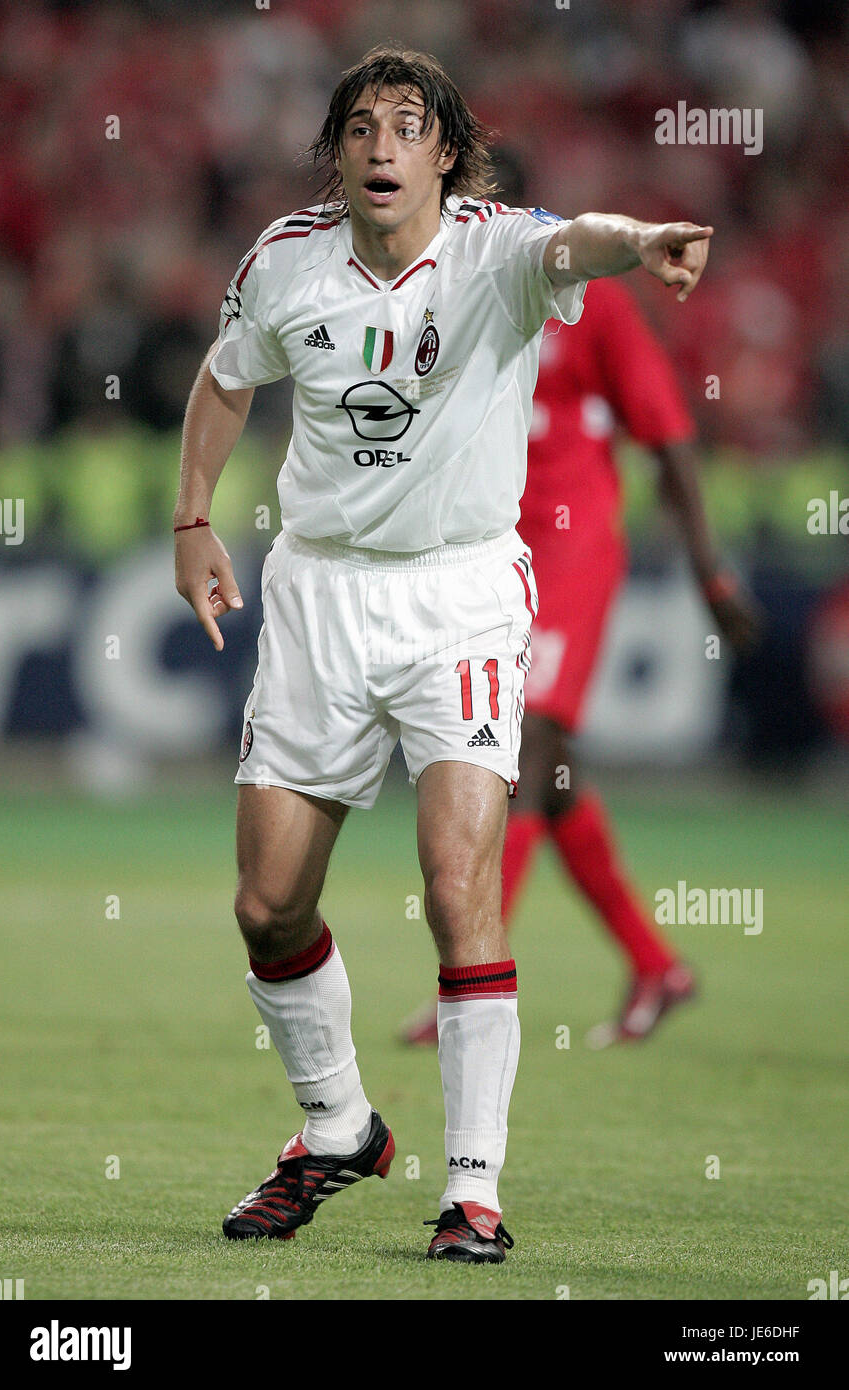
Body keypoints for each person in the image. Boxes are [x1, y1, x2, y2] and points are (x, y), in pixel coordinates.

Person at [174, 43, 712, 1264]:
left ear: (447, 155)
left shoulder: (496, 250)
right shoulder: (284, 263)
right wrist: (193, 517)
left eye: (405, 127)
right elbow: (221, 379)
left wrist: (642, 237)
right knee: (267, 903)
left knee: (459, 882)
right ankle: (337, 1126)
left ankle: (472, 1188)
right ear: (337, 152)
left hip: (460, 595)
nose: (378, 147)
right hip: (318, 597)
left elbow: (579, 239)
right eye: (359, 127)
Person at [402, 152, 760, 1052]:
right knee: (548, 775)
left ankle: (465, 989)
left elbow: (668, 437)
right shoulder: (440, 296)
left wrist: (710, 573)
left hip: (571, 551)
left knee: (524, 746)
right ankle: (654, 966)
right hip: (487, 557)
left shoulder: (587, 293)